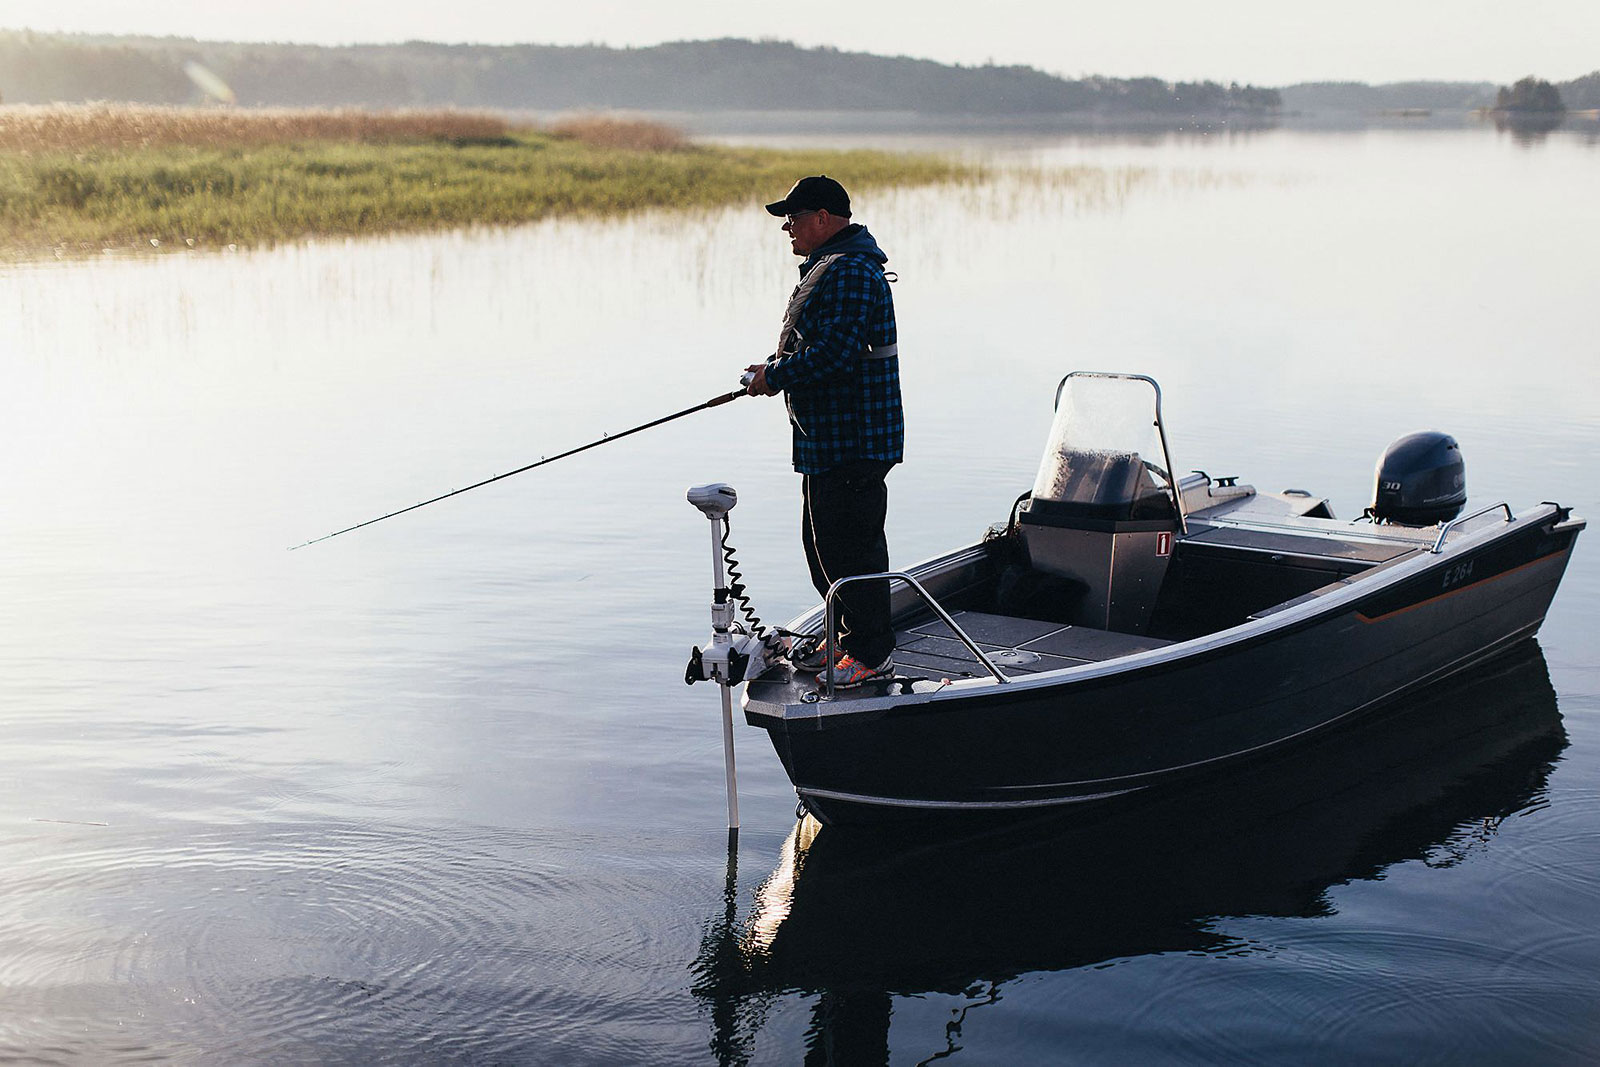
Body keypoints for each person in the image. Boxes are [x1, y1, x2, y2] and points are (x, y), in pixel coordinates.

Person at [743, 176, 903, 689]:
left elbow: (834, 354)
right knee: (823, 549)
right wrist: (772, 367)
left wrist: (776, 378)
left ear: (822, 218)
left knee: (853, 552)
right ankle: (845, 639)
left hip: (855, 441)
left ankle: (873, 654)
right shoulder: (830, 268)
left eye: (793, 217)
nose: (787, 227)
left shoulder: (852, 271)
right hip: (825, 441)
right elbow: (817, 344)